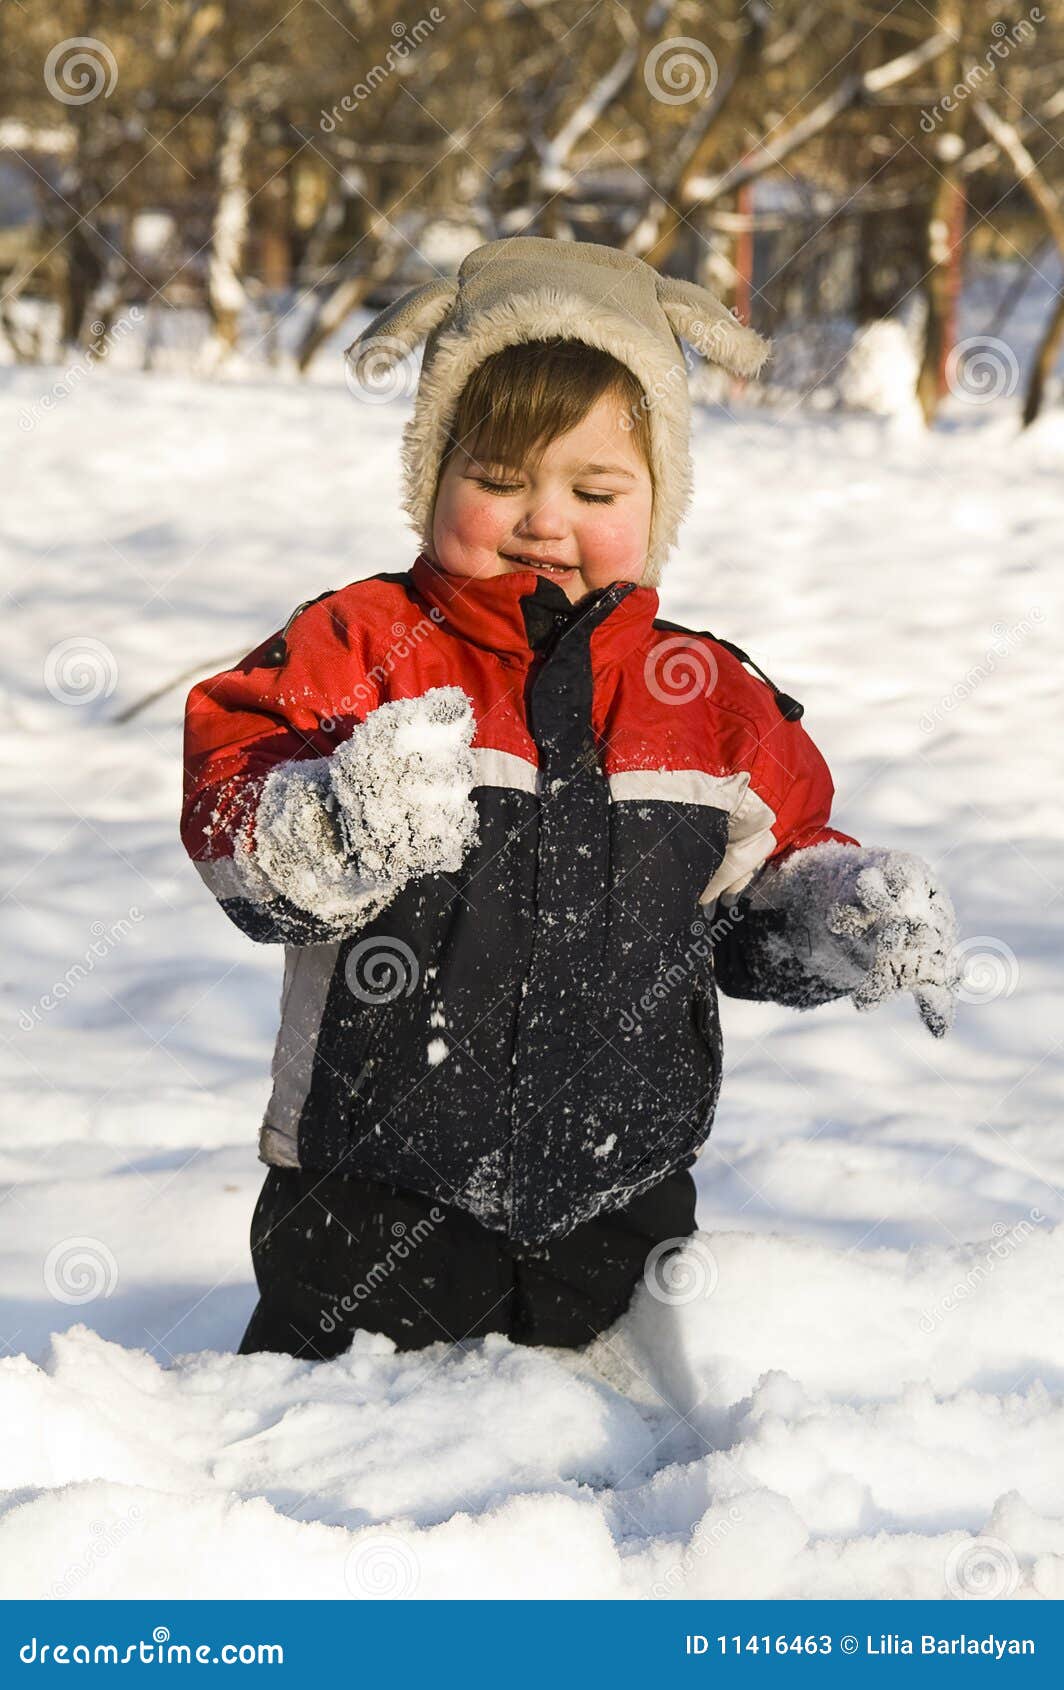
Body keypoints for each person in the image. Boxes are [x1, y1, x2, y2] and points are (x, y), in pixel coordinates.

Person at [180, 236, 960, 1362]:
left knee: (601, 1480)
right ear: (430, 479)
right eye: (496, 480)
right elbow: (230, 813)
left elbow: (761, 886)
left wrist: (838, 913)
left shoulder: (706, 699)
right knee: (334, 1472)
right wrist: (336, 819)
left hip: (622, 1199)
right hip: (368, 1199)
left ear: (656, 503)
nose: (542, 519)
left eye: (593, 489)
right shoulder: (362, 646)